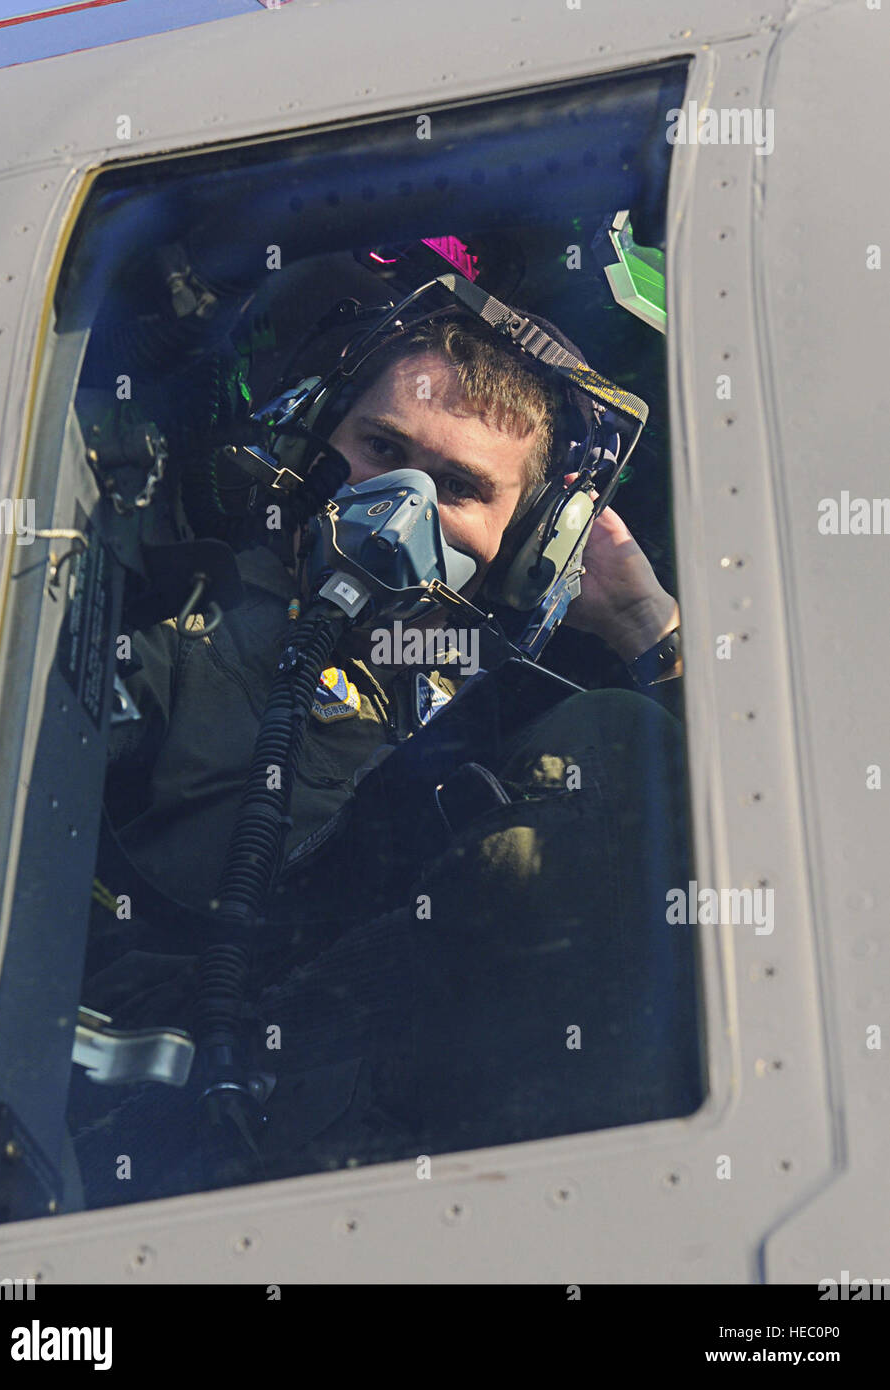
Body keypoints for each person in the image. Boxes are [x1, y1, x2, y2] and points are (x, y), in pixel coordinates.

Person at [74, 309, 701, 1201]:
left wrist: (649, 630)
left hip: (412, 1142)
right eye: (380, 446)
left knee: (618, 743)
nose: (402, 502)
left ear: (522, 552)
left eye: (458, 486)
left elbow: (743, 853)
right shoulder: (168, 612)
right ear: (316, 437)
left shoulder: (497, 721)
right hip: (172, 1093)